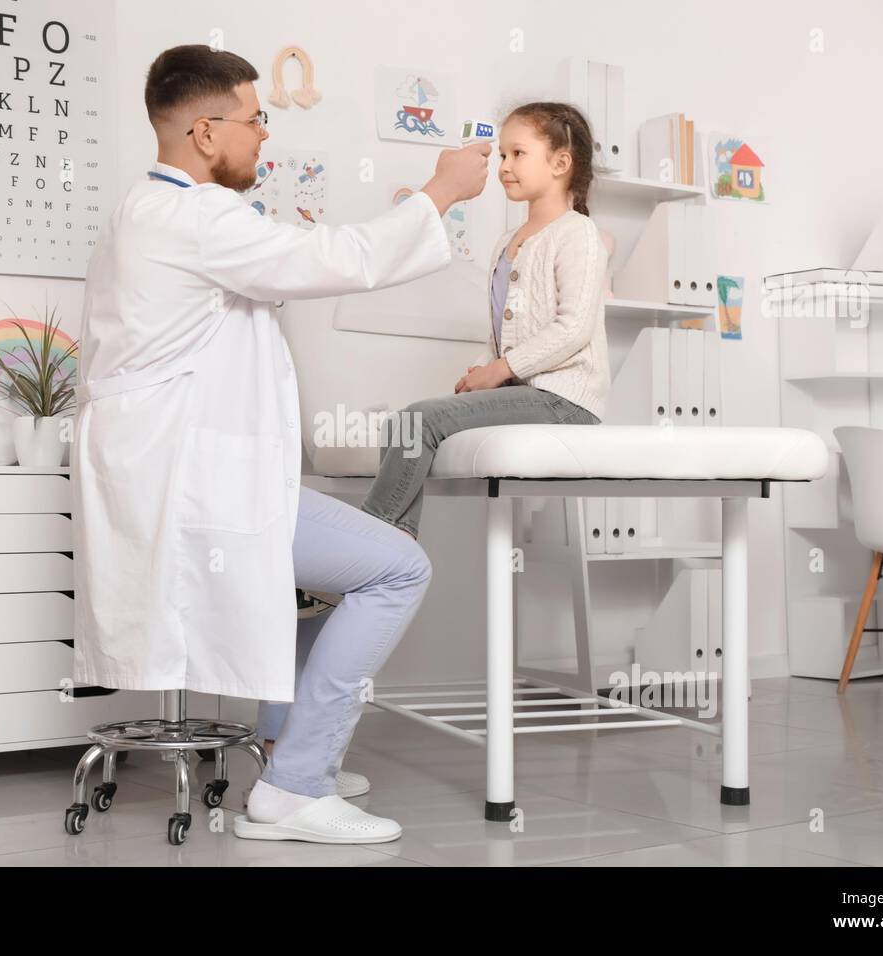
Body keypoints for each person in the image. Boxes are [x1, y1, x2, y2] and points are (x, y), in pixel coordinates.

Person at [70, 44, 490, 845]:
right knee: (399, 567)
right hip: (196, 485)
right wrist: (442, 191)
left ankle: (284, 747)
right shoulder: (196, 218)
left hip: (176, 476)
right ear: (203, 131)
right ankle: (296, 786)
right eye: (256, 119)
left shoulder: (141, 211)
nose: (266, 135)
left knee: (316, 585)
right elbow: (334, 260)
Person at [359, 102, 610, 540]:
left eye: (518, 154)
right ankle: (391, 552)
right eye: (502, 156)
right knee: (407, 425)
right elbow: (503, 335)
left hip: (565, 403)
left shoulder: (578, 234)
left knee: (416, 422)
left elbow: (573, 330)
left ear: (560, 163)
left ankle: (364, 551)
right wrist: (484, 368)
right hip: (526, 393)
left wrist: (498, 371)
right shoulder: (505, 243)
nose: (504, 167)